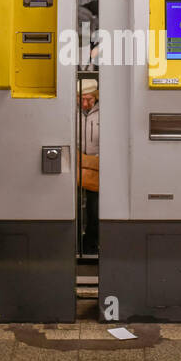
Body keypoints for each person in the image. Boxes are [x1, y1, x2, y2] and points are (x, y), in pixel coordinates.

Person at [79, 79, 99, 254]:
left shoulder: (103, 113)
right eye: (82, 99)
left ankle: (90, 245)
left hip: (96, 167)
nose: (85, 104)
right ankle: (75, 243)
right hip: (76, 166)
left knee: (95, 209)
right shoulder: (71, 111)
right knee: (75, 208)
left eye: (89, 99)